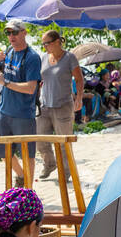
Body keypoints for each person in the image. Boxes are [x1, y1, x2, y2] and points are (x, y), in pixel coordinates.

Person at [0, 19, 42, 182]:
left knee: (28, 155)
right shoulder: (9, 51)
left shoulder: (32, 57)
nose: (11, 36)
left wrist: (5, 82)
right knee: (3, 154)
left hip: (23, 114)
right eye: (8, 33)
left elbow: (31, 88)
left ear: (24, 33)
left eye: (15, 32)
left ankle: (29, 191)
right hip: (3, 111)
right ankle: (21, 177)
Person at [34, 30, 84, 180]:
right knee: (40, 139)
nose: (44, 47)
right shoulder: (43, 58)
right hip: (44, 106)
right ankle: (49, 164)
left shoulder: (69, 58)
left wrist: (79, 98)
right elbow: (39, 80)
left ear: (57, 42)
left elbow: (79, 79)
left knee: (63, 142)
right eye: (43, 44)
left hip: (63, 105)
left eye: (46, 43)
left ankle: (66, 172)